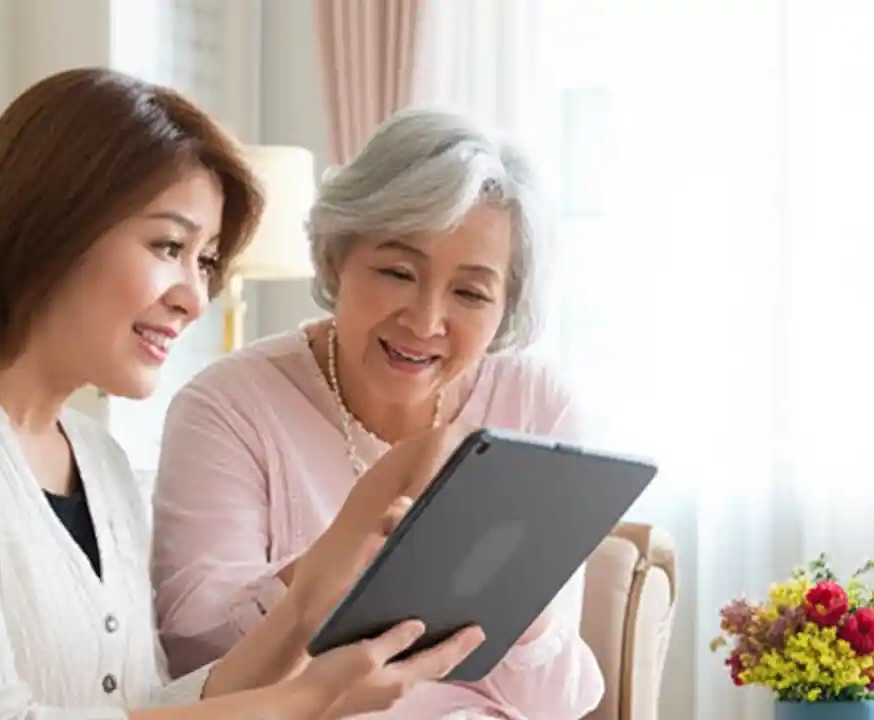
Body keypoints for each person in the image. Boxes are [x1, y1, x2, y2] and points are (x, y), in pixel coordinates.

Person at [0, 68, 487, 720]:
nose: (193, 297)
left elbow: (138, 709)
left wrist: (301, 610)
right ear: (52, 224)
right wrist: (301, 701)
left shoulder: (99, 463)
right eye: (168, 246)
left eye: (206, 261)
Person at [151, 107, 606, 719]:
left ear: (506, 308)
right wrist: (341, 557)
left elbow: (558, 704)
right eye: (397, 272)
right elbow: (195, 666)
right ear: (338, 257)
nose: (425, 321)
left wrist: (515, 594)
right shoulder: (227, 406)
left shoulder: (536, 406)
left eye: (470, 292)